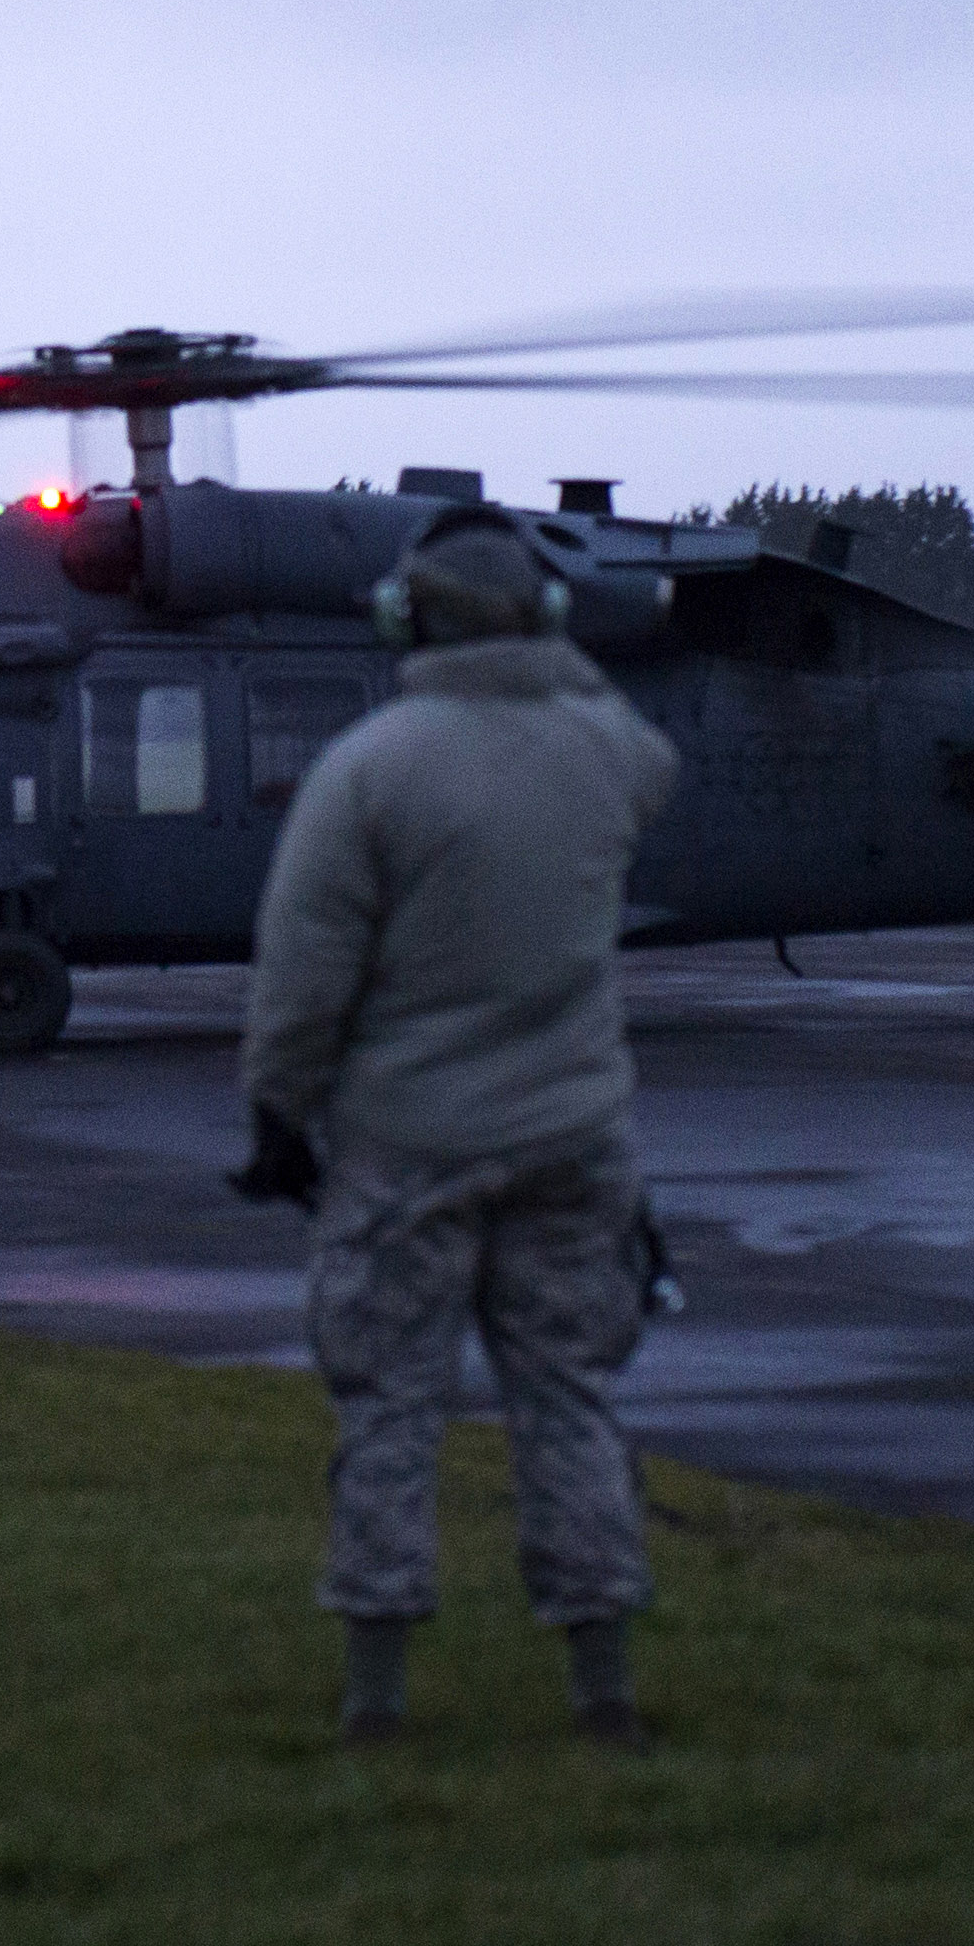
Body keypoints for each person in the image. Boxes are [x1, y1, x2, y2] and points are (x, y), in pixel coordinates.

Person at [231, 523, 687, 1748]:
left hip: (405, 1146)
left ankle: (375, 1697)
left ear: (402, 624)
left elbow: (303, 972)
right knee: (570, 1404)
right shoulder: (609, 751)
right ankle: (604, 1691)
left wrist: (280, 1108)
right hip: (572, 1138)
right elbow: (644, 757)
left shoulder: (370, 767)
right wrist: (556, 650)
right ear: (540, 618)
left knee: (388, 1409)